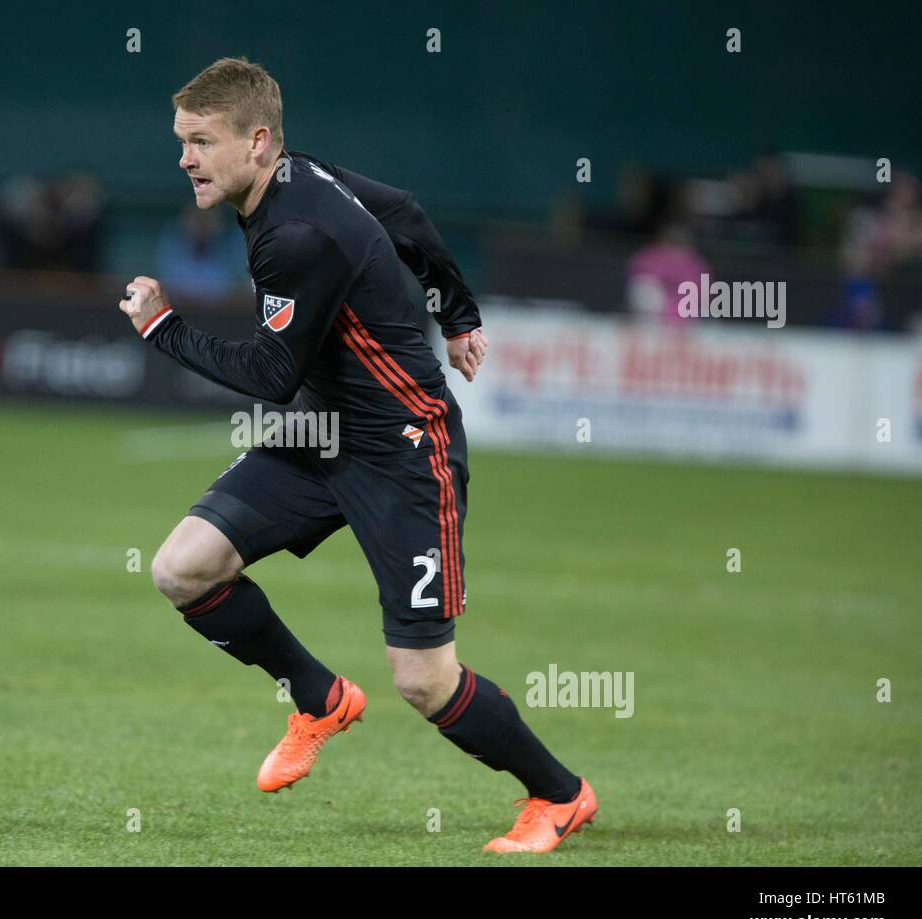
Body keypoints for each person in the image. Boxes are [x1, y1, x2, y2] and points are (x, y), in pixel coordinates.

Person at [118, 57, 596, 854]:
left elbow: (272, 375)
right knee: (183, 568)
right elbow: (404, 213)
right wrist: (458, 311)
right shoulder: (293, 178)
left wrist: (161, 329)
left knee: (424, 680)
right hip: (326, 431)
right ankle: (318, 696)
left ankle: (559, 795)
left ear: (259, 141)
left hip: (405, 449)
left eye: (201, 142)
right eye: (182, 141)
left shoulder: (295, 234)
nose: (185, 159)